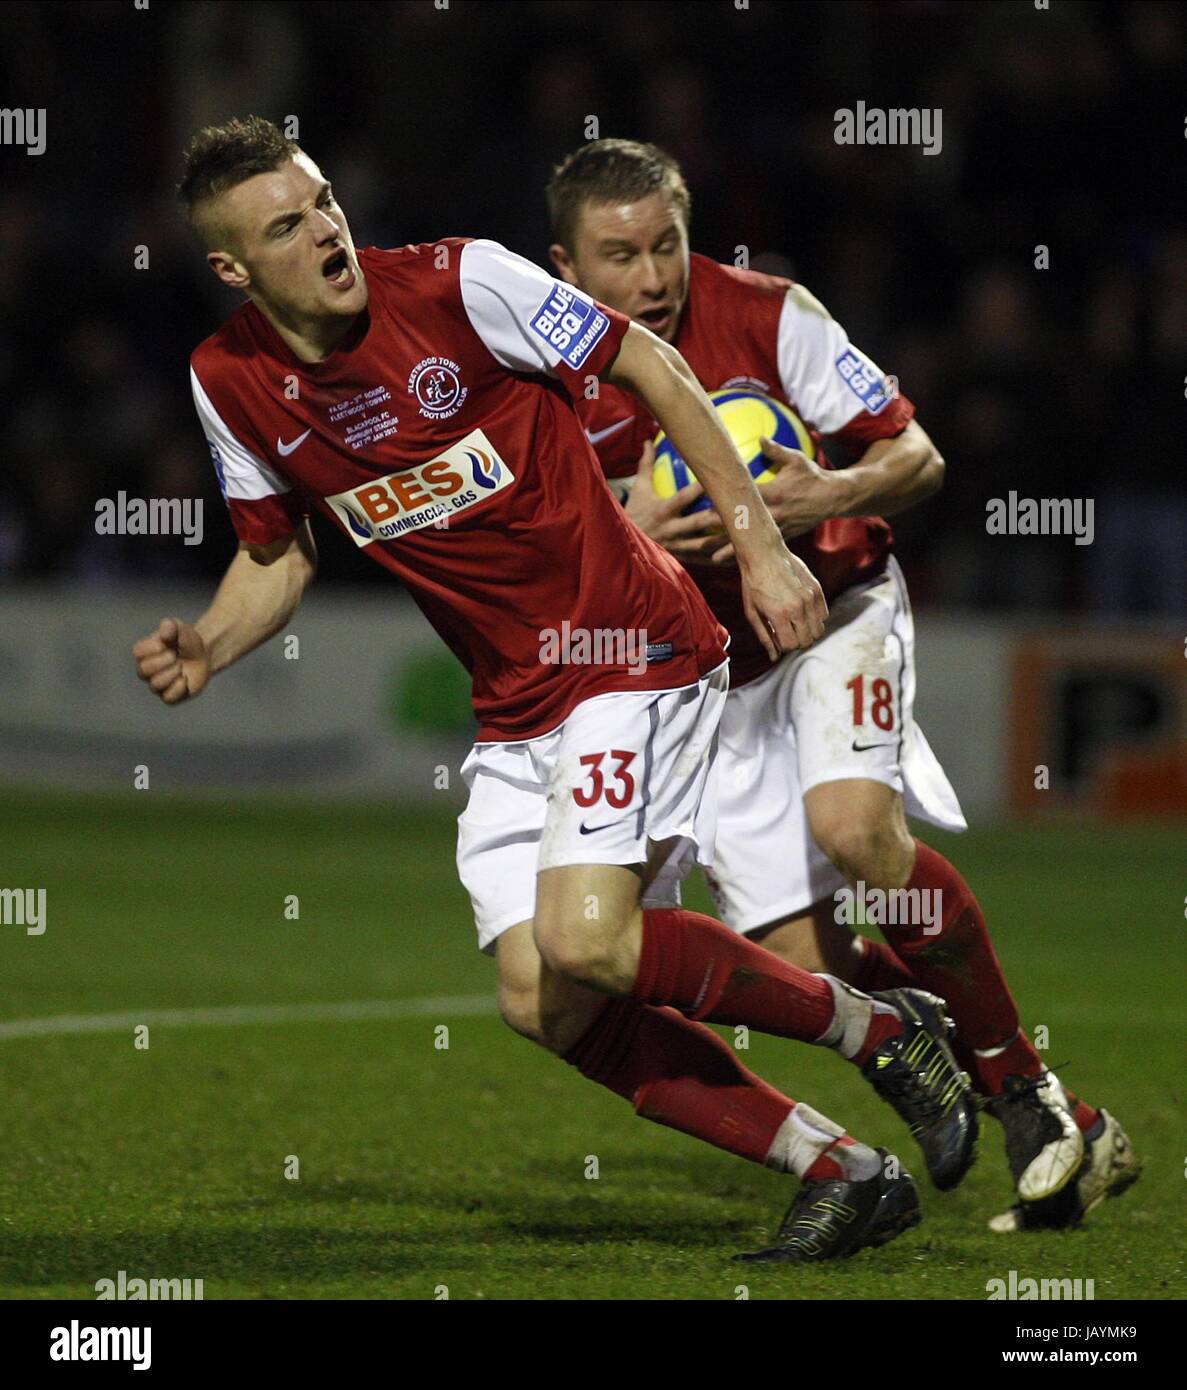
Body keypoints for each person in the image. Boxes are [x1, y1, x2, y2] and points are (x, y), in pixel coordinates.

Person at [132, 116, 977, 1264]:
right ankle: (837, 1166)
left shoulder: (459, 283)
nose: (326, 230)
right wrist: (212, 646)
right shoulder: (228, 381)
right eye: (286, 226)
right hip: (514, 705)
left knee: (587, 940)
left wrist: (763, 545)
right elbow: (277, 553)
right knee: (544, 1000)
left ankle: (874, 1026)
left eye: (323, 201)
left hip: (631, 650)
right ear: (232, 268)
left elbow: (652, 362)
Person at [546, 137, 1139, 1233]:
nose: (650, 277)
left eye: (665, 244)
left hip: (835, 613)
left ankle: (1016, 1085)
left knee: (858, 832)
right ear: (565, 268)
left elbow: (916, 456)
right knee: (795, 960)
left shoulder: (768, 316)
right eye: (618, 255)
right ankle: (1062, 1111)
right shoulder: (544, 377)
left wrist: (830, 492)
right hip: (711, 679)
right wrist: (623, 531)